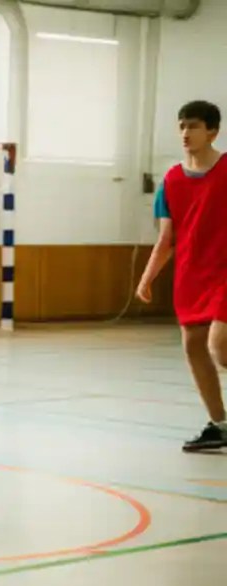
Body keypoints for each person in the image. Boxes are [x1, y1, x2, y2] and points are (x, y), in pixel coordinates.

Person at [136, 100, 227, 452]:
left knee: (219, 346)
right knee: (193, 346)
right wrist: (146, 278)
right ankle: (219, 424)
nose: (186, 133)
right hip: (191, 274)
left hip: (224, 272)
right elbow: (166, 239)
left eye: (193, 126)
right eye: (182, 126)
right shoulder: (172, 180)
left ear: (213, 132)